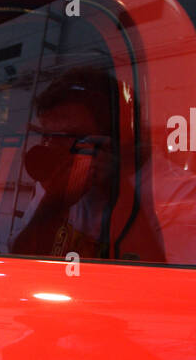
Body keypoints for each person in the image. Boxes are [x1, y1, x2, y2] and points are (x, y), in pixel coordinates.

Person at [12, 67, 118, 259]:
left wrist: (119, 192)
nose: (54, 148)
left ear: (108, 139)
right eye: (48, 136)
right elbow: (21, 257)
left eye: (71, 136)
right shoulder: (56, 182)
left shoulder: (164, 189)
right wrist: (53, 203)